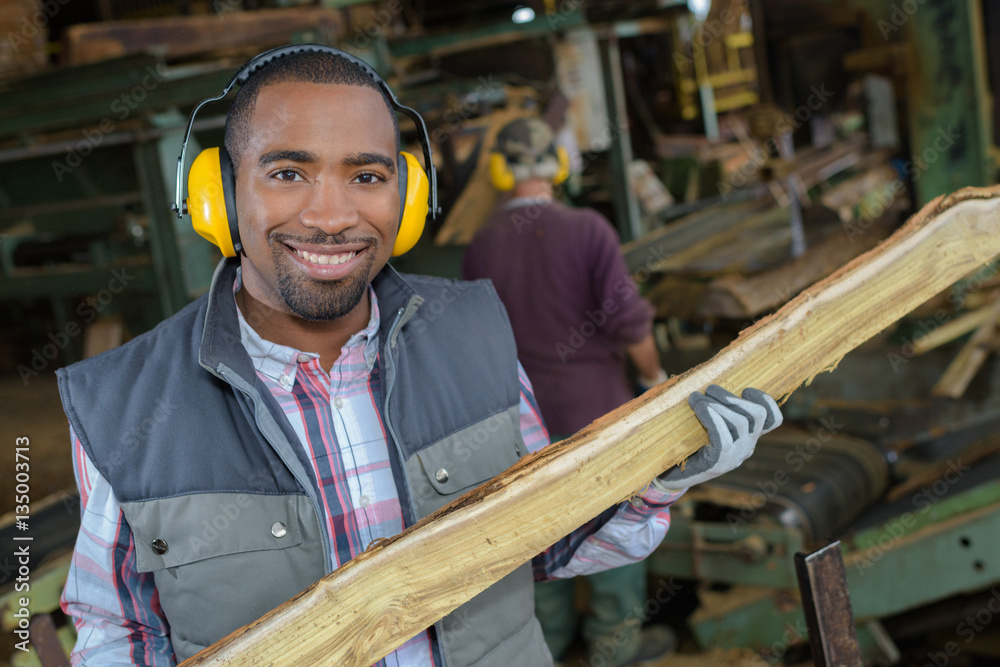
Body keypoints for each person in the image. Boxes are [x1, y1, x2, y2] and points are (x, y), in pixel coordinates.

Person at [57, 47, 781, 667]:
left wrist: (659, 474)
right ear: (216, 195)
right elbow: (116, 629)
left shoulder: (474, 332)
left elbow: (550, 540)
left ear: (407, 196)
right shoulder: (121, 405)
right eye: (287, 173)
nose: (332, 215)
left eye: (367, 176)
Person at [461, 117, 721, 667]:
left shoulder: (481, 244)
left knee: (541, 539)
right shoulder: (588, 229)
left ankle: (547, 649)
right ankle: (614, 649)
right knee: (616, 529)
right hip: (597, 414)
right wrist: (655, 382)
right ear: (559, 165)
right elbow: (631, 325)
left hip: (521, 424)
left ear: (501, 170)